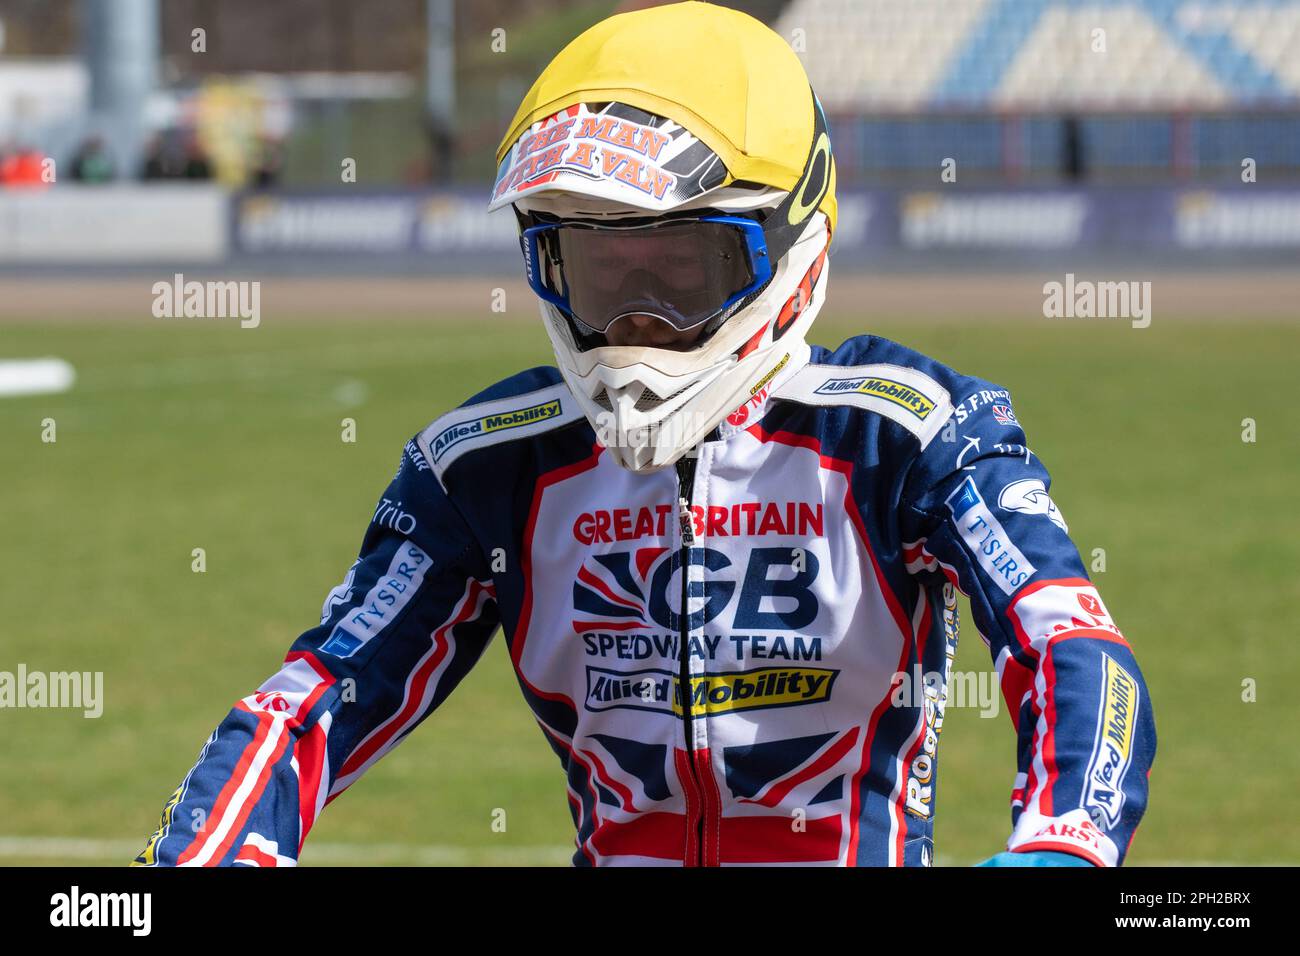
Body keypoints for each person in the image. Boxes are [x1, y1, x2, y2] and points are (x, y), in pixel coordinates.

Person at [136, 1, 1154, 868]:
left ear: (792, 244)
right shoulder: (483, 467)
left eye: (681, 270)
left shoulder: (908, 434)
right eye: (596, 267)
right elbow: (315, 700)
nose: (634, 319)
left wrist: (1060, 844)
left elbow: (1071, 646)